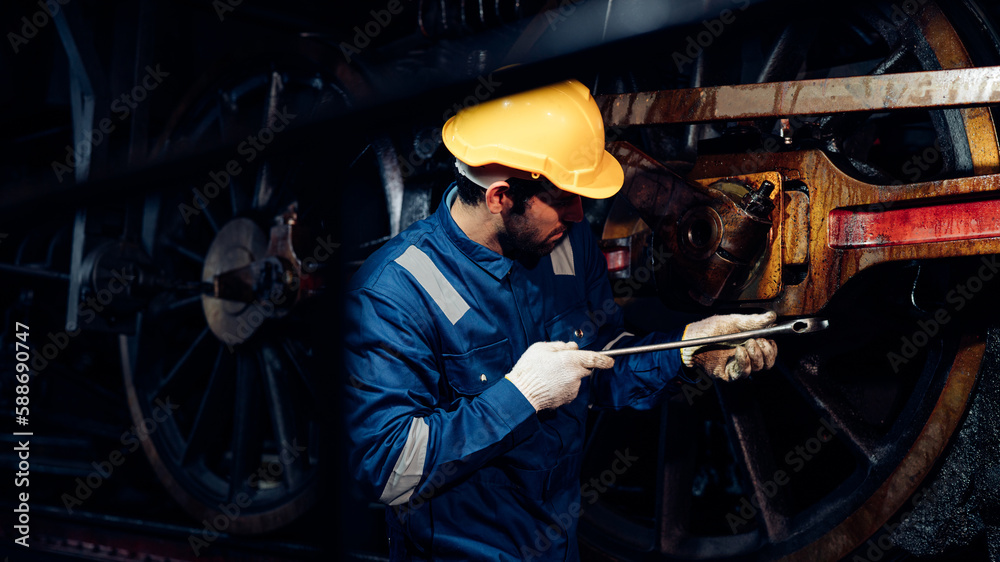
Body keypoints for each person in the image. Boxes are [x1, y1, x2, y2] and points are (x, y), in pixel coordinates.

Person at [343, 78, 777, 561]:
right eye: (564, 197)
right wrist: (520, 396)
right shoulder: (393, 292)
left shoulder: (566, 244)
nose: (579, 213)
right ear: (500, 197)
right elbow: (385, 470)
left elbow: (600, 363)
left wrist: (684, 349)